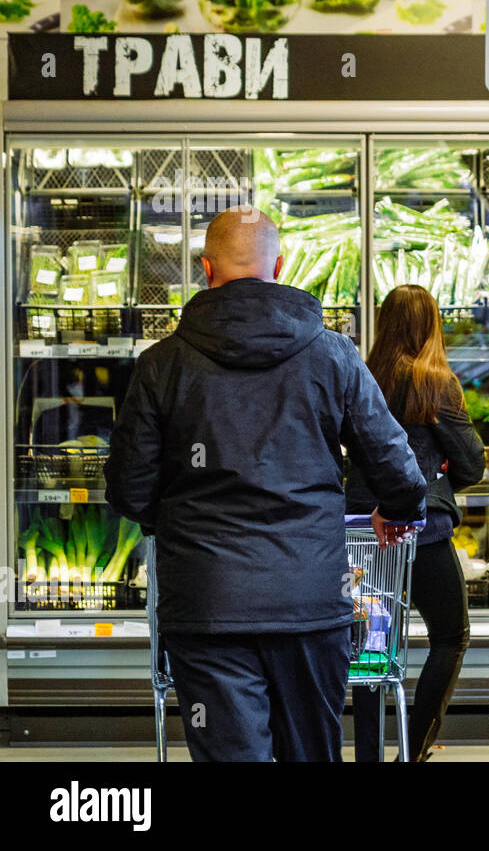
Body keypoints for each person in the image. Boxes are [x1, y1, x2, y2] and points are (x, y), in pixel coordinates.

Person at [105, 207, 428, 762]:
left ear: (206, 269)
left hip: (206, 603)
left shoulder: (161, 364)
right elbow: (395, 463)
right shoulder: (334, 355)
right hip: (308, 600)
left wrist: (176, 517)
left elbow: (129, 488)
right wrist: (396, 510)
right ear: (279, 265)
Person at [346, 285, 486, 762]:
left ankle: (368, 754)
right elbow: (471, 464)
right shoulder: (434, 381)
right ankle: (412, 750)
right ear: (431, 326)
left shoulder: (358, 377)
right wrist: (442, 465)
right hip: (419, 532)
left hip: (362, 530)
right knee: (450, 635)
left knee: (370, 646)